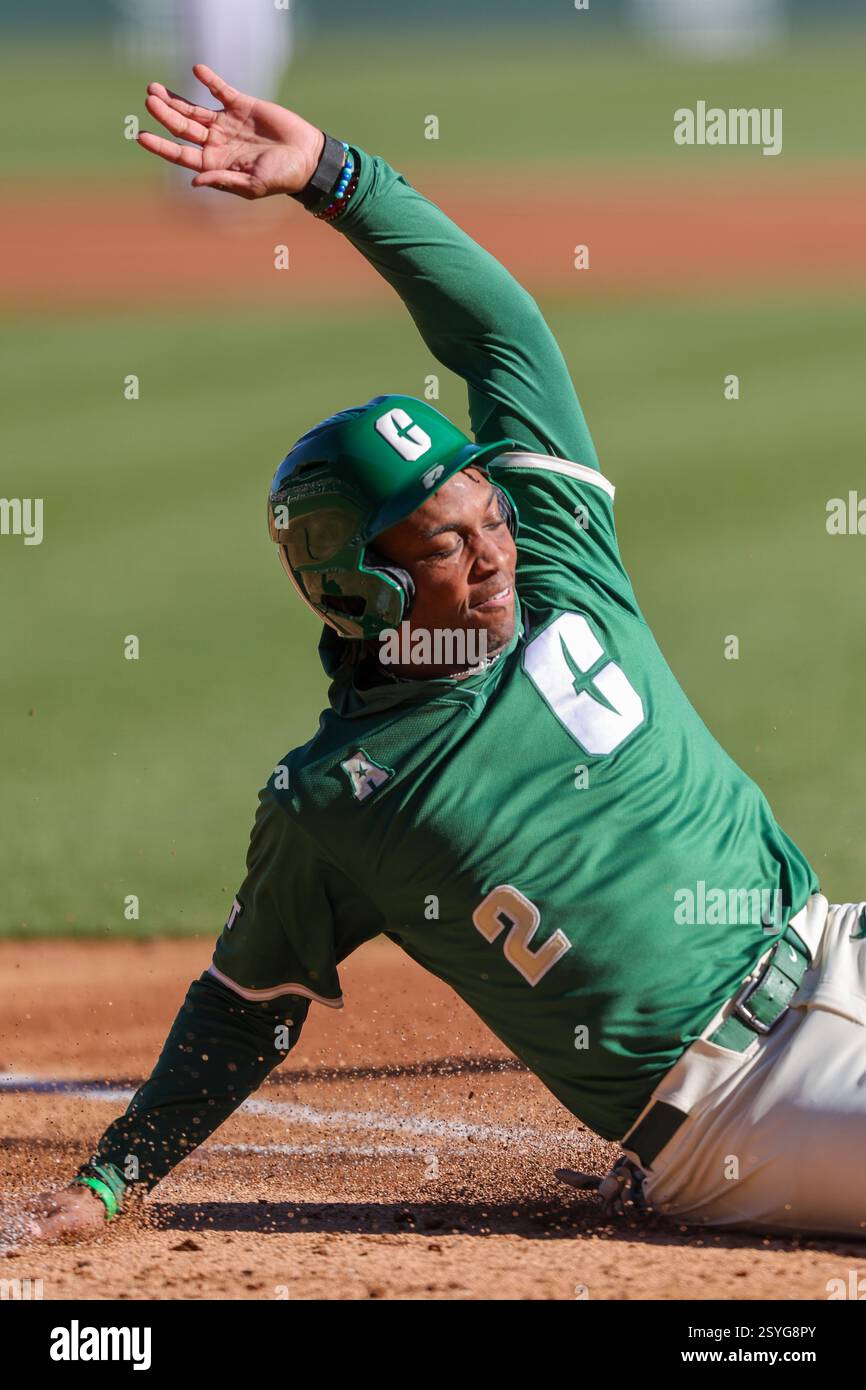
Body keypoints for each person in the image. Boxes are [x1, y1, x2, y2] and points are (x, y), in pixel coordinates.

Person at [28, 66, 866, 1244]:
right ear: (359, 589)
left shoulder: (562, 555)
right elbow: (242, 1005)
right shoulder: (334, 801)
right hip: (748, 1108)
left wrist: (332, 175)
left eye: (489, 513)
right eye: (447, 542)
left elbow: (498, 328)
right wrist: (112, 1180)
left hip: (836, 944)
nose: (492, 550)